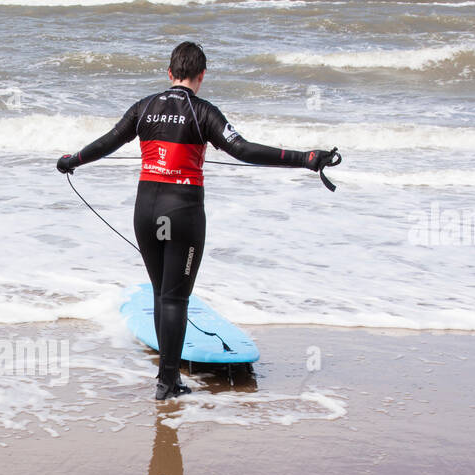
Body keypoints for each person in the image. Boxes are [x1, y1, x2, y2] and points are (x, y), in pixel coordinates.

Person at [56, 41, 340, 400]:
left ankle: (166, 375)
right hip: (182, 212)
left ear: (170, 72)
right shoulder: (202, 111)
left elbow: (108, 142)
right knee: (176, 299)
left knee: (162, 293)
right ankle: (167, 383)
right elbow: (244, 149)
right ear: (201, 75)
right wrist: (307, 158)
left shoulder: (144, 108)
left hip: (145, 210)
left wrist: (73, 160)